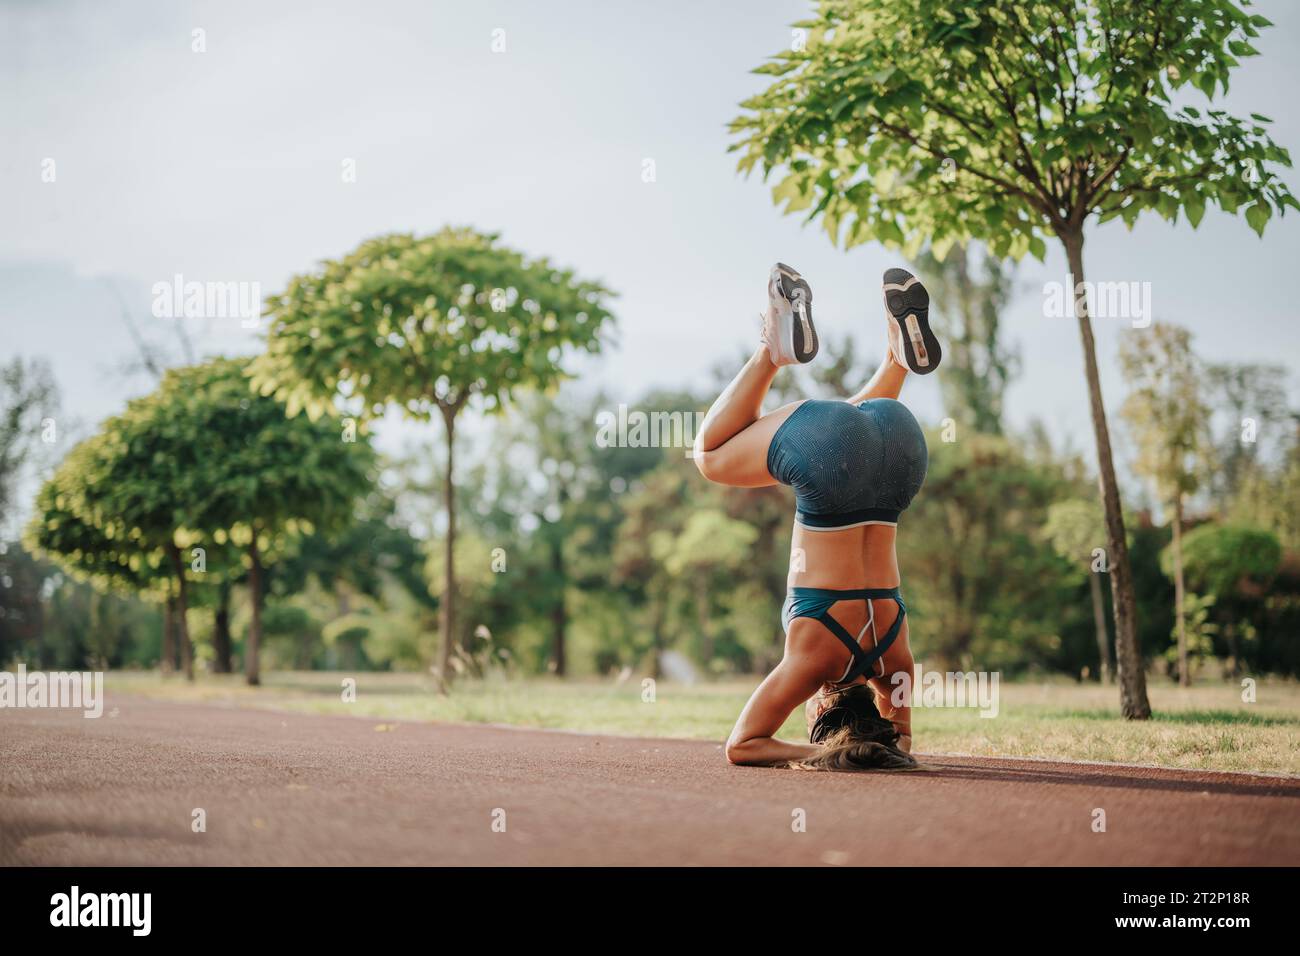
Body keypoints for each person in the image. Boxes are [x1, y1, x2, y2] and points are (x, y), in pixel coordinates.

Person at [692, 263, 940, 771]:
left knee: (848, 430)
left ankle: (898, 357)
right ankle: (773, 351)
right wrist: (827, 750)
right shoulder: (813, 663)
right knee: (710, 454)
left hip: (898, 445)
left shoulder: (896, 662)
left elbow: (903, 741)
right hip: (831, 456)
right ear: (821, 707)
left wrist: (881, 742)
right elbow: (742, 746)